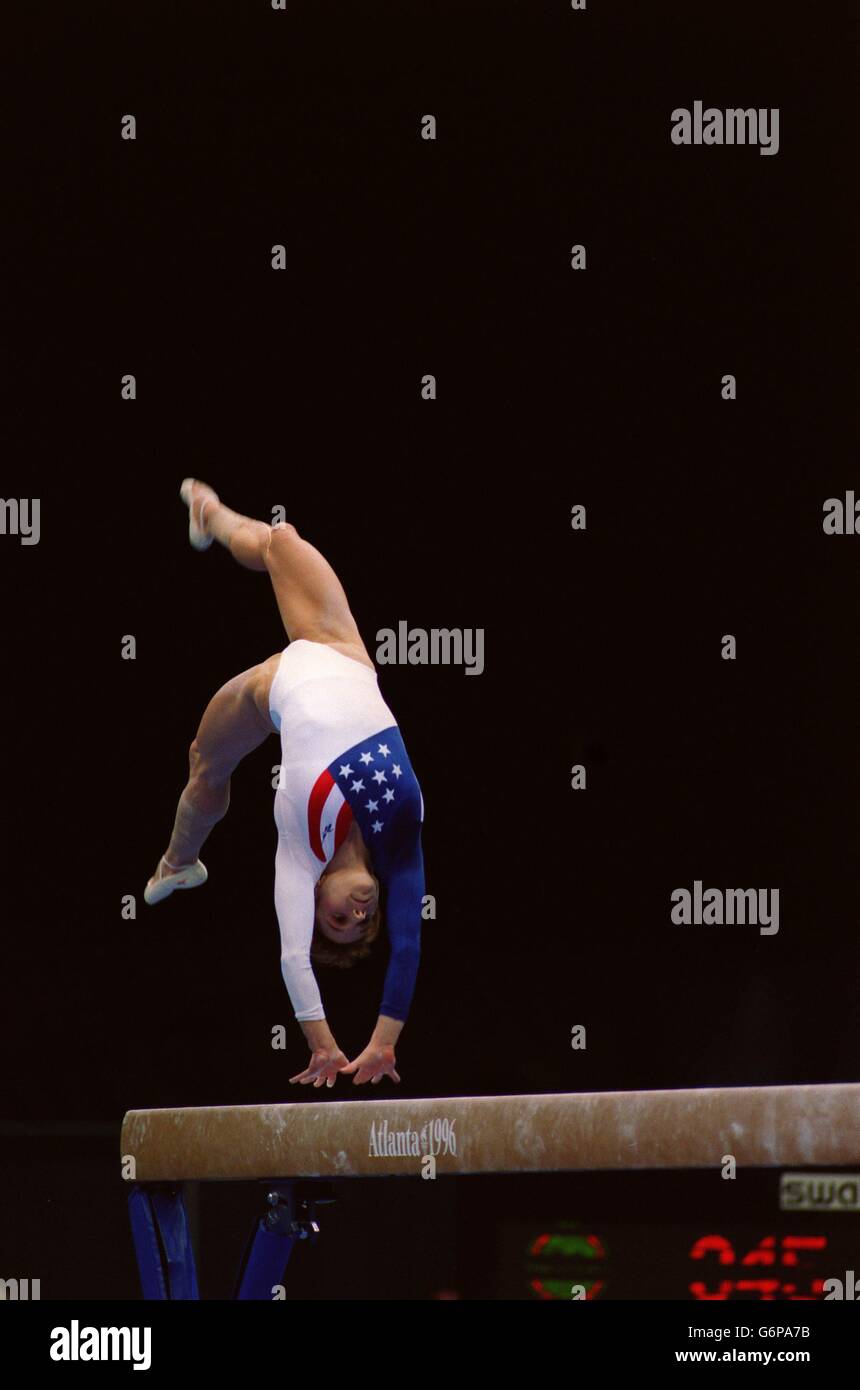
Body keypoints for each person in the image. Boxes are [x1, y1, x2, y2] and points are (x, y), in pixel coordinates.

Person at [144, 480, 425, 1089]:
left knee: (204, 763)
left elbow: (293, 958)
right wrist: (383, 1043)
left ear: (317, 898)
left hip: (271, 690)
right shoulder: (400, 826)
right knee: (280, 539)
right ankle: (211, 513)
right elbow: (407, 945)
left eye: (337, 923)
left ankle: (177, 862)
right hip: (341, 647)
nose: (356, 917)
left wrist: (324, 1046)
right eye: (361, 925)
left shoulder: (299, 854)